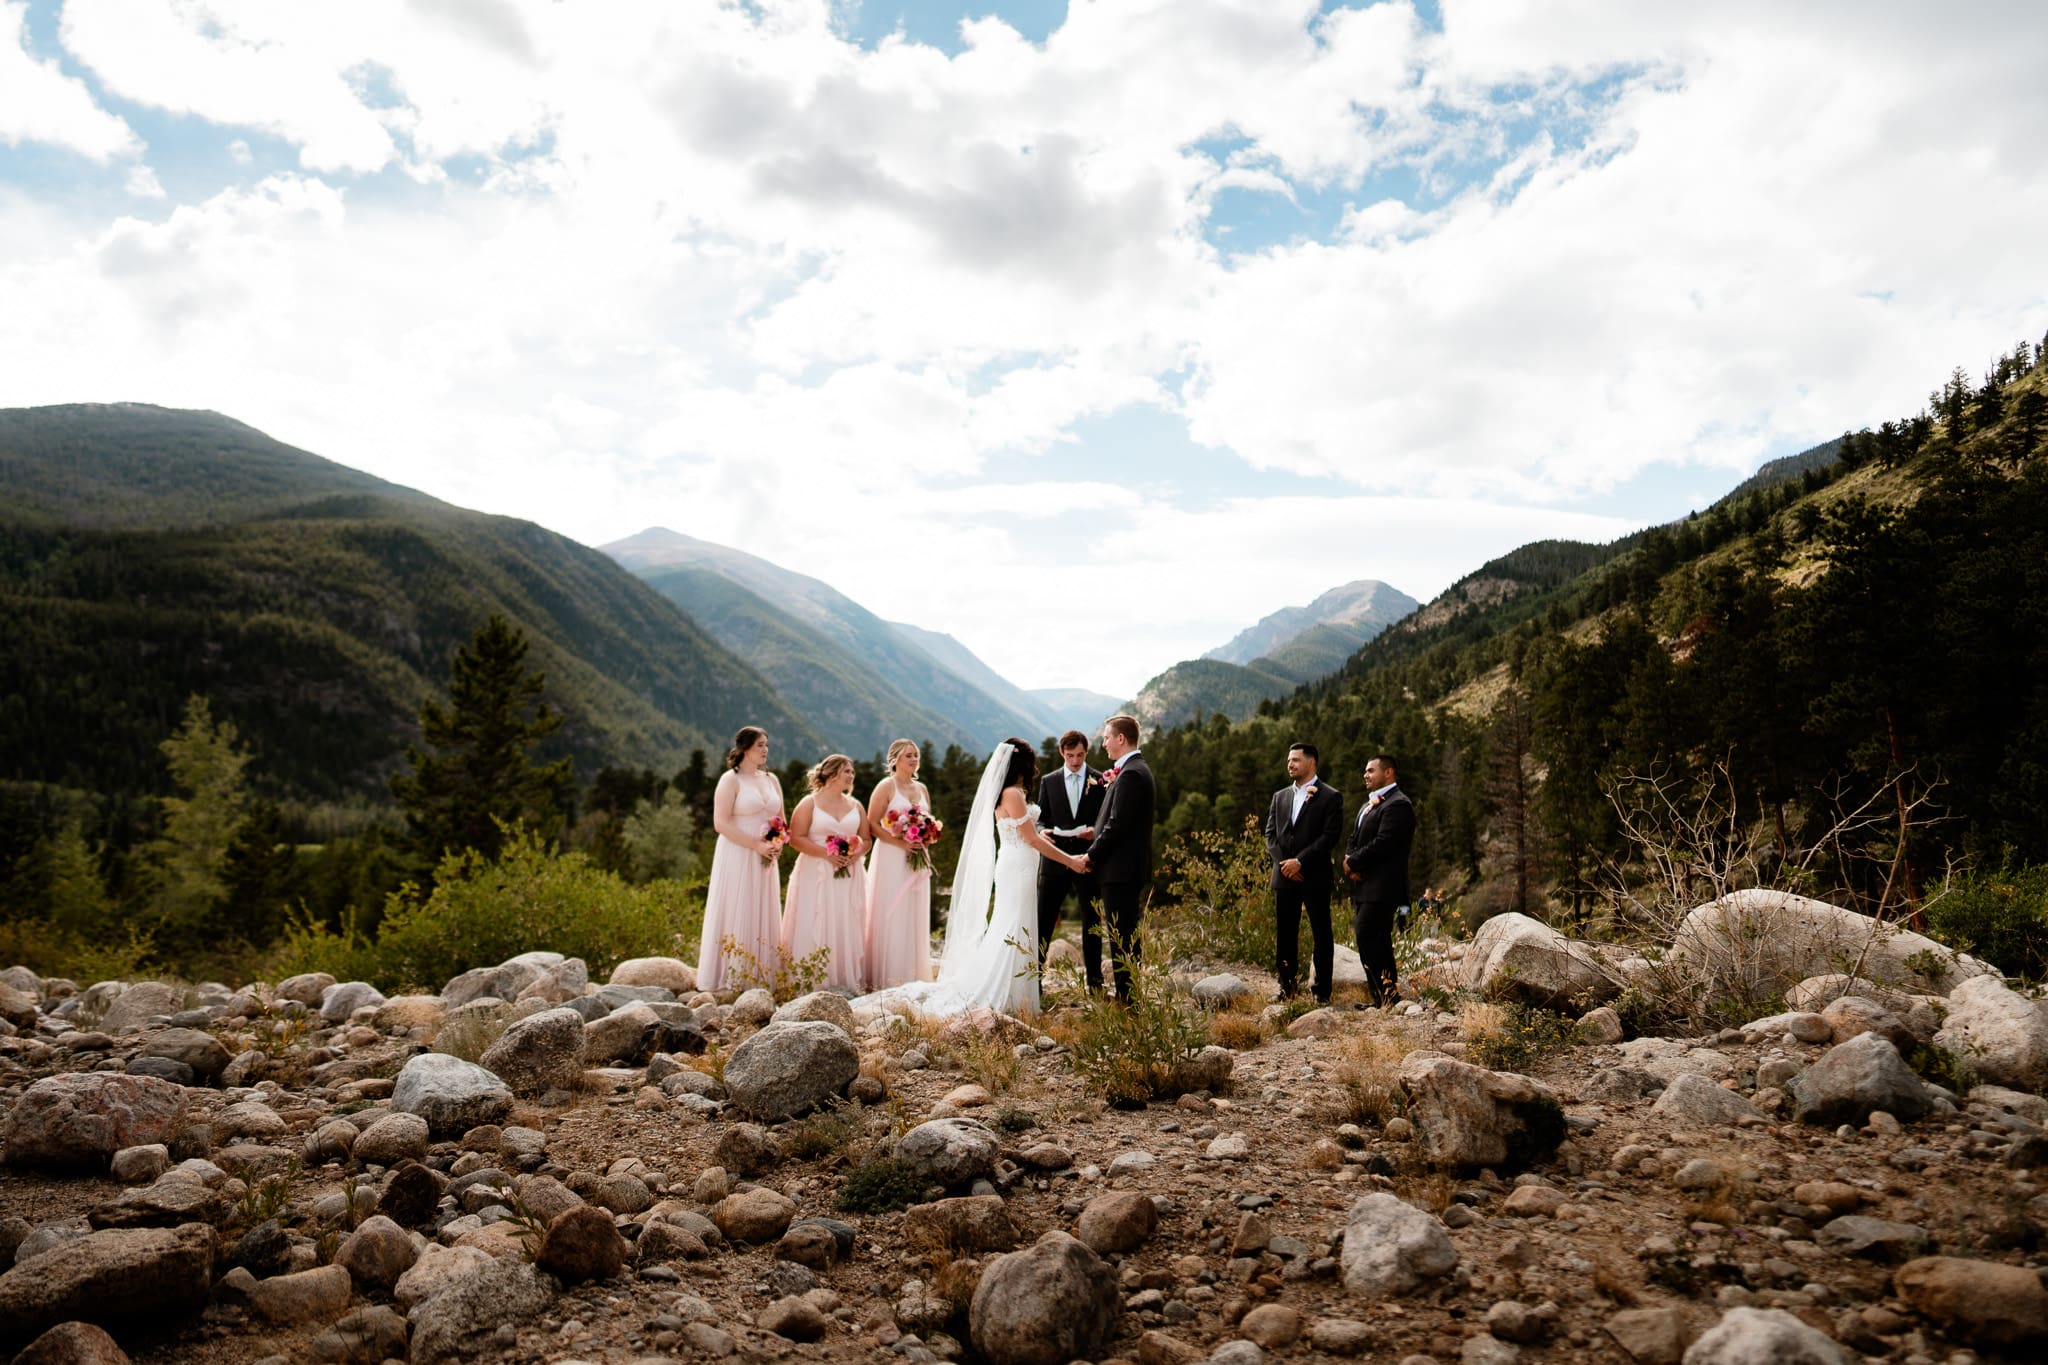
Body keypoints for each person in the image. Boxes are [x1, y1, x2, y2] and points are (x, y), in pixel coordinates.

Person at [854, 739, 1086, 1017]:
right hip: (1018, 867)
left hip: (1018, 864)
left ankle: (1017, 995)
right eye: (1032, 761)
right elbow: (1032, 840)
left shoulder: (1010, 793)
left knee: (1015, 924)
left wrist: (1048, 840)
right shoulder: (1013, 794)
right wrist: (1071, 861)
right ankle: (1005, 992)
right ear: (1022, 764)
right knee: (1012, 926)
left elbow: (1029, 834)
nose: (1035, 767)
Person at [696, 726, 787, 993]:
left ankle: (762, 976)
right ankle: (733, 975)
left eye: (766, 744)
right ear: (745, 748)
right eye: (760, 745)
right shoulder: (730, 780)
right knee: (738, 906)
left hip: (766, 855)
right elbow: (721, 823)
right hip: (737, 852)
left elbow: (780, 819)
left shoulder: (772, 780)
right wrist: (755, 845)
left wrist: (778, 842)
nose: (765, 750)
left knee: (762, 907)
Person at [1077, 714, 1155, 1000]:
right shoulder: (1132, 770)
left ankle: (1128, 999)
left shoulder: (1132, 774)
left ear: (1121, 738)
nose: (1104, 744)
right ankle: (1128, 995)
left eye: (1107, 737)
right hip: (1122, 869)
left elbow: (1117, 824)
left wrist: (1091, 855)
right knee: (1123, 935)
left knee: (1122, 937)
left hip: (1121, 870)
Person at [780, 753, 869, 992]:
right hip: (816, 872)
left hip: (849, 873)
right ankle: (809, 979)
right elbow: (795, 838)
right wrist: (826, 854)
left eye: (852, 771)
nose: (852, 775)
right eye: (847, 771)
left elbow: (867, 839)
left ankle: (843, 978)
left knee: (844, 919)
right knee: (814, 918)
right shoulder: (809, 803)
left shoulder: (856, 805)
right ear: (831, 774)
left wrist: (855, 854)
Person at [1263, 742, 1344, 1002]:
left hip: (1314, 875)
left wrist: (1300, 862)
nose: (1290, 764)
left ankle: (1322, 991)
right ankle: (1287, 987)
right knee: (1285, 933)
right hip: (1284, 875)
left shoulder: (1331, 796)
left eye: (1296, 760)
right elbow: (1270, 835)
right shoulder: (1280, 796)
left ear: (1312, 762)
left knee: (1321, 933)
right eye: (1289, 760)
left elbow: (1329, 836)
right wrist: (1285, 864)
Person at [1343, 754, 1415, 1007]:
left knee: (1368, 935)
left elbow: (1385, 843)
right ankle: (1383, 999)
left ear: (1389, 772)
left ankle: (1386, 997)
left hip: (1384, 884)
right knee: (1375, 939)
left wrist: (1354, 862)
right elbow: (1354, 837)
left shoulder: (1399, 804)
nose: (1366, 775)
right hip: (1365, 884)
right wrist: (1350, 862)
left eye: (1371, 770)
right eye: (1365, 770)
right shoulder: (1369, 804)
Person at [864, 739, 937, 989]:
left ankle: (913, 974)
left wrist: (926, 836)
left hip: (917, 856)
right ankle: (888, 975)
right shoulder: (886, 786)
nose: (914, 759)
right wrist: (900, 843)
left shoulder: (922, 788)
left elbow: (929, 821)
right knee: (892, 909)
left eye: (916, 755)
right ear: (895, 759)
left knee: (914, 909)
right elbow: (872, 823)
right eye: (909, 755)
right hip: (892, 855)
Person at [1035, 729, 1103, 970]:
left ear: (1086, 753)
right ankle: (1036, 981)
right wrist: (1041, 831)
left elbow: (1105, 818)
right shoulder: (1049, 781)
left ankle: (1095, 981)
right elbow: (1040, 818)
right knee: (1044, 921)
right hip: (1054, 860)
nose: (1075, 761)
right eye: (1070, 755)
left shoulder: (1100, 780)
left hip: (1088, 860)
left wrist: (1094, 830)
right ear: (1061, 752)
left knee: (1092, 921)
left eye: (1080, 755)